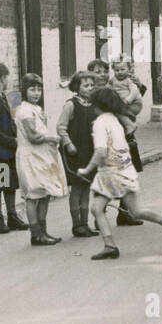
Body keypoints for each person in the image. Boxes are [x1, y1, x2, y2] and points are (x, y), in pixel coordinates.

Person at [80, 87, 162, 260]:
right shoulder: (114, 120)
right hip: (124, 170)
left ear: (97, 105)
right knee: (135, 211)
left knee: (97, 209)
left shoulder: (100, 122)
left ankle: (110, 246)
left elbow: (100, 151)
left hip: (110, 173)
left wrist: (86, 169)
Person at [15, 72, 67, 247]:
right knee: (33, 195)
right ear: (25, 90)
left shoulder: (36, 108)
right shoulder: (24, 110)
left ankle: (43, 231)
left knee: (45, 193)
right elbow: (33, 137)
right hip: (30, 156)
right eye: (32, 89)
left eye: (39, 89)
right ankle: (36, 234)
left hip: (41, 155)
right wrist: (52, 138)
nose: (36, 93)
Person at [0, 61, 29, 234]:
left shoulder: (1, 97)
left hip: (5, 151)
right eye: (7, 77)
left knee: (9, 184)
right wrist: (13, 142)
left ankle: (12, 216)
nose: (8, 80)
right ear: (2, 79)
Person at [57, 70, 101, 238]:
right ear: (77, 87)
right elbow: (61, 127)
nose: (89, 88)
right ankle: (77, 225)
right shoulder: (71, 105)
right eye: (85, 85)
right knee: (76, 188)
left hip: (89, 151)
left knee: (86, 187)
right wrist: (68, 144)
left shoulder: (94, 105)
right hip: (75, 152)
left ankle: (85, 223)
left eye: (91, 85)